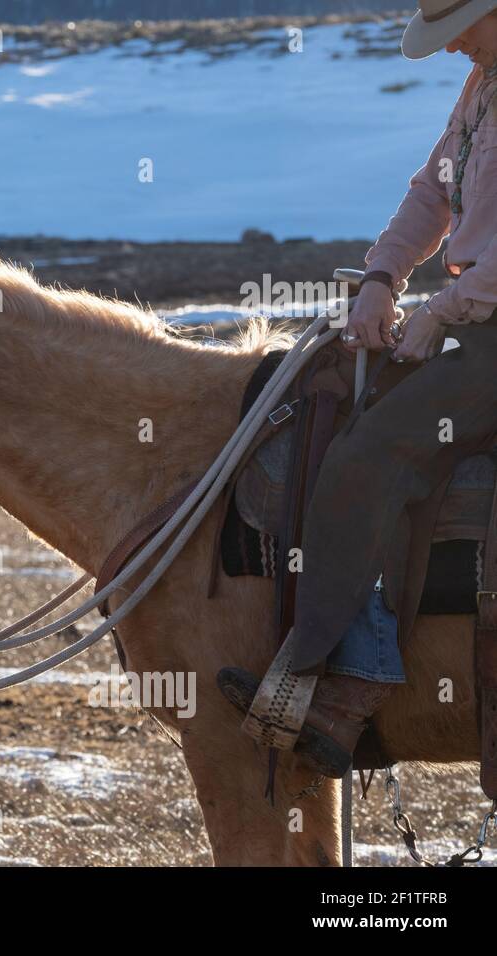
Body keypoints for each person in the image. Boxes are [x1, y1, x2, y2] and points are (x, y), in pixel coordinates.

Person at [219, 1, 497, 778]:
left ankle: (344, 685)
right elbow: (430, 196)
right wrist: (382, 278)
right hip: (475, 316)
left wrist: (443, 309)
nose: (451, 51)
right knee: (339, 406)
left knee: (375, 451)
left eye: (460, 31)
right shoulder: (482, 86)